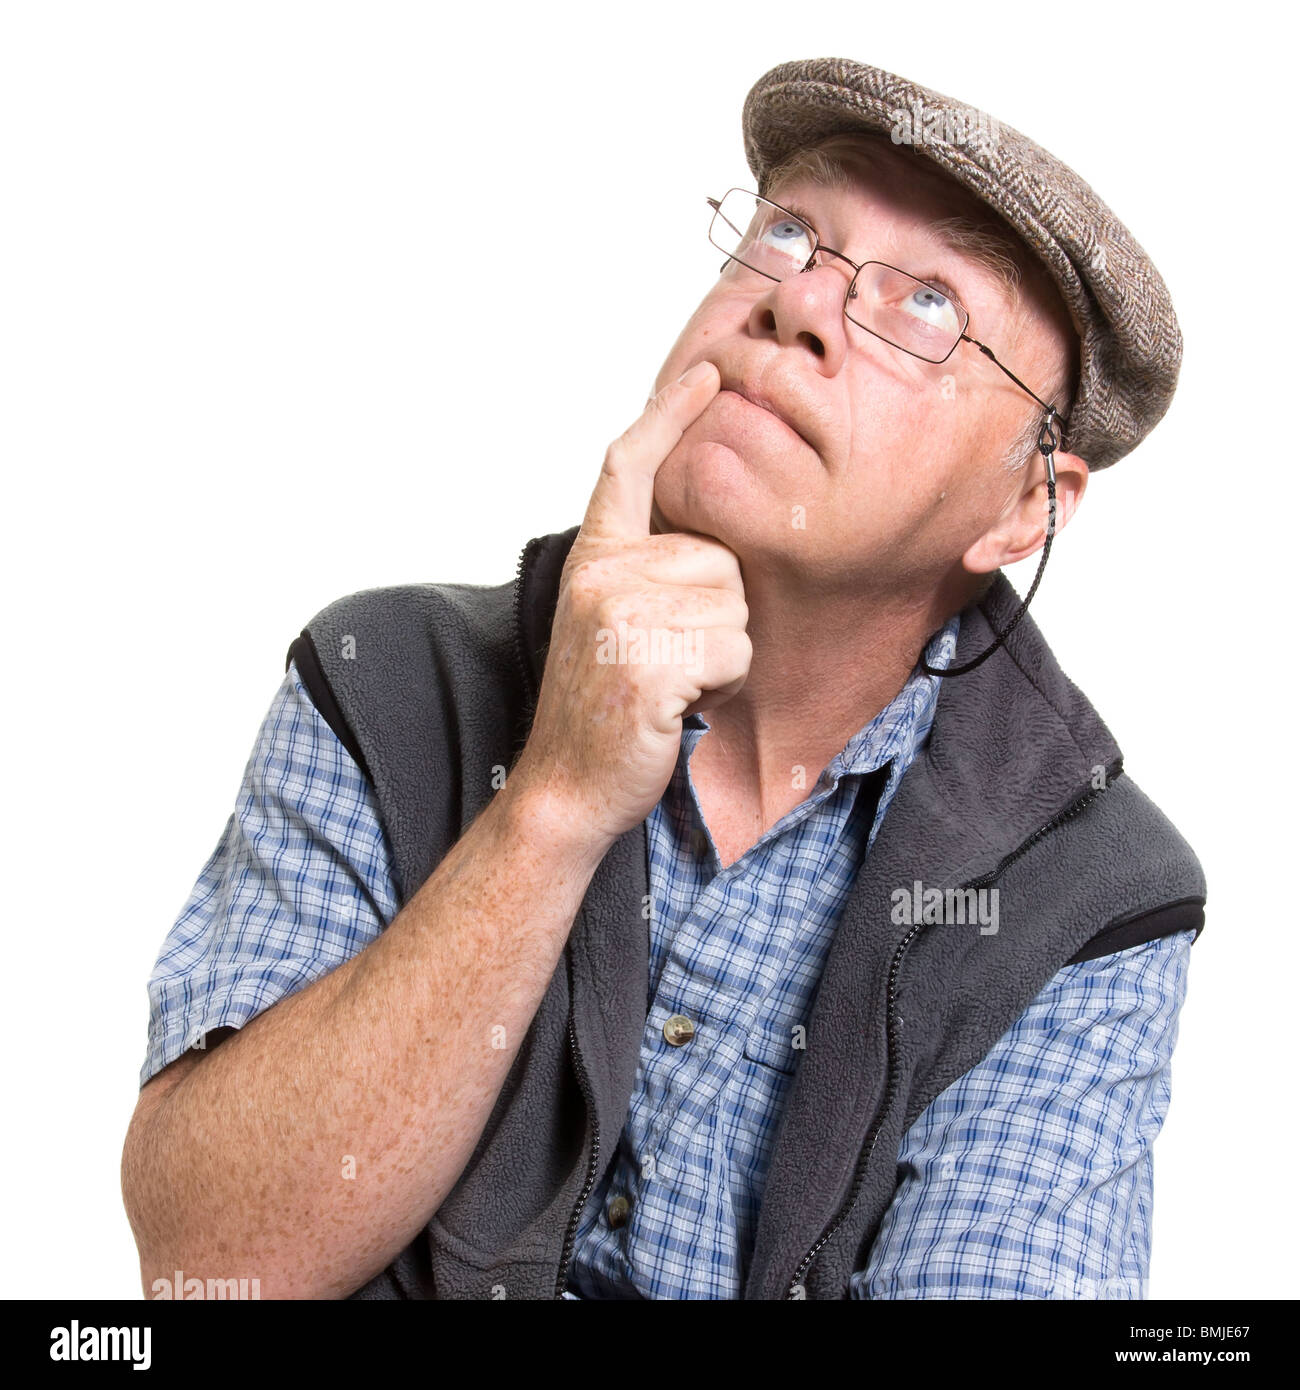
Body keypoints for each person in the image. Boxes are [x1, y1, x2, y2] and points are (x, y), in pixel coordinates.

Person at [121, 56, 1205, 1300]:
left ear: (1026, 505)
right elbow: (206, 1270)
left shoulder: (1094, 896)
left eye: (926, 307)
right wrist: (554, 803)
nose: (797, 307)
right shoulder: (386, 683)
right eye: (790, 234)